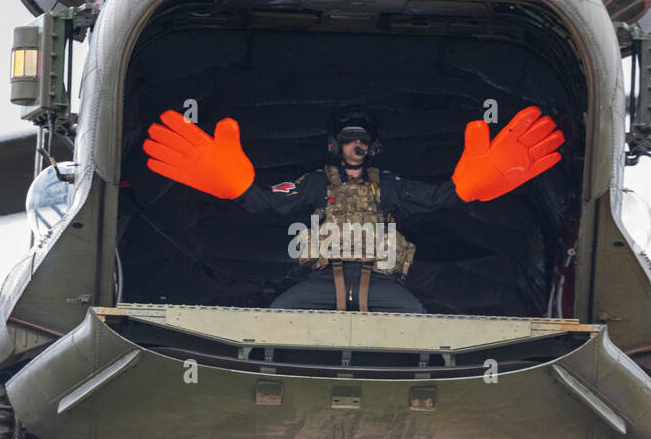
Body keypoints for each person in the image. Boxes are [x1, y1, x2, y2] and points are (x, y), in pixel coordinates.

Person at [142, 106, 564, 312]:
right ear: (334, 143)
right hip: (323, 280)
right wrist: (234, 186)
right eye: (348, 138)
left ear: (374, 145)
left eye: (362, 139)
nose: (355, 146)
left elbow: (437, 201)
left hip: (382, 283)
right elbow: (266, 204)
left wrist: (470, 186)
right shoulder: (316, 183)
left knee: (417, 327)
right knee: (274, 322)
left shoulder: (390, 187)